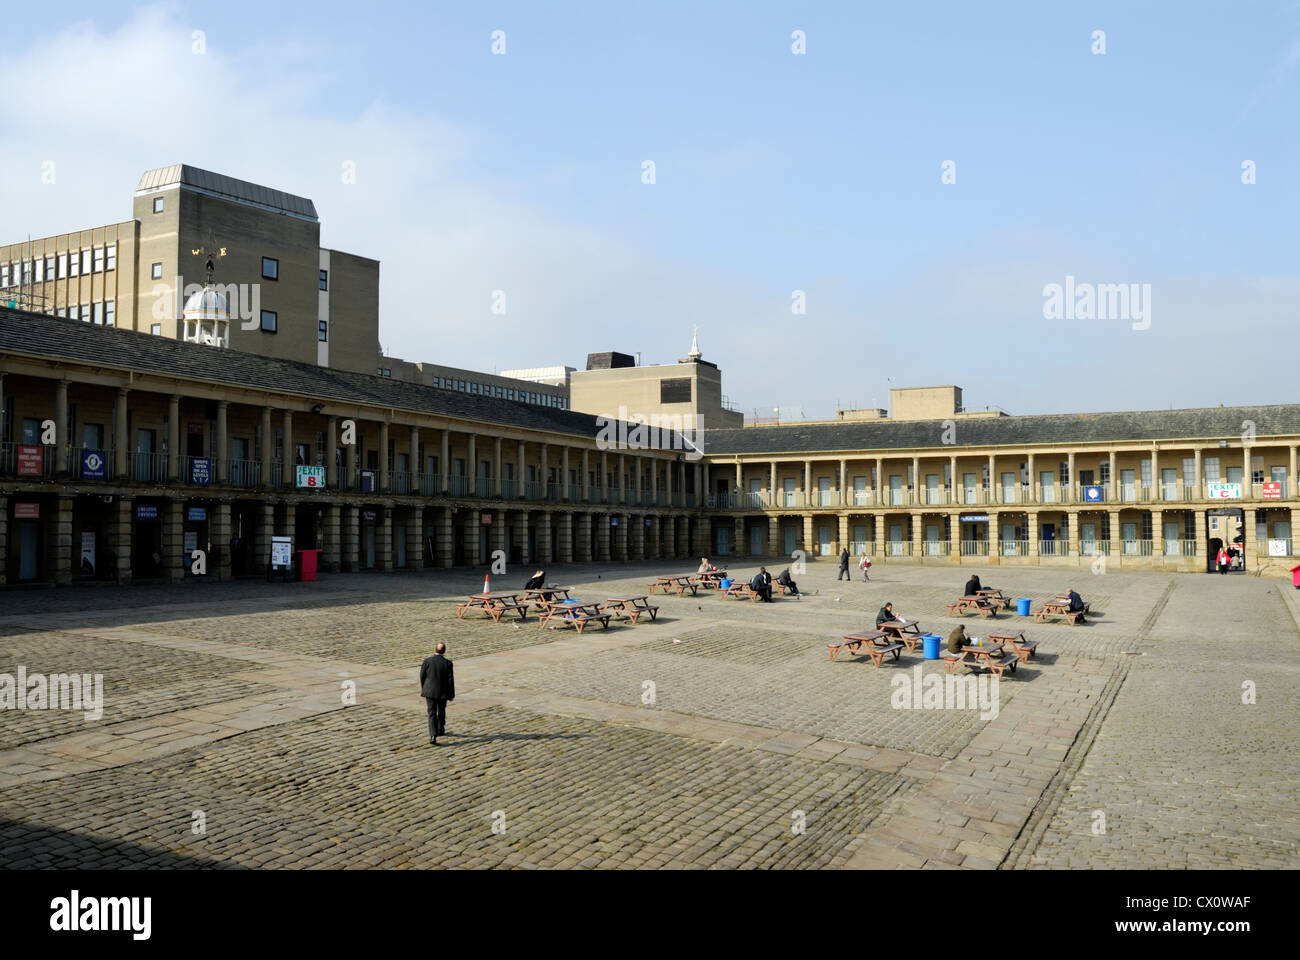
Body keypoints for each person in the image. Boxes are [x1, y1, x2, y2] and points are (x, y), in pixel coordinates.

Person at [419, 641, 455, 745]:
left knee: (431, 713)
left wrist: (425, 688)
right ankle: (441, 728)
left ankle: (433, 735)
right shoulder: (448, 663)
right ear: (444, 652)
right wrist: (451, 694)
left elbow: (422, 676)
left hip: (429, 691)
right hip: (443, 692)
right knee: (442, 710)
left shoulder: (427, 661)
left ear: (435, 650)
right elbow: (450, 680)